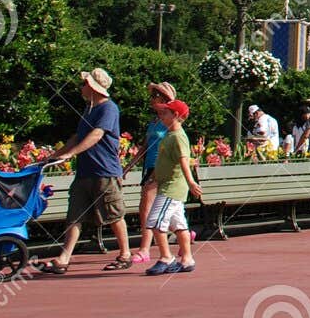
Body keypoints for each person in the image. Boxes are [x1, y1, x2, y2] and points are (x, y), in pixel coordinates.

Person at [36, 68, 132, 274]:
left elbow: (97, 134)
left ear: (93, 88)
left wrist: (72, 153)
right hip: (85, 172)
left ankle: (125, 254)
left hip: (104, 172)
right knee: (75, 215)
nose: (81, 87)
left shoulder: (109, 108)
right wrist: (55, 156)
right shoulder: (89, 109)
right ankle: (63, 259)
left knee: (113, 214)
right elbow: (77, 137)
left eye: (84, 84)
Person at [144, 98, 201, 275]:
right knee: (178, 224)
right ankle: (187, 259)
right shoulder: (169, 135)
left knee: (154, 221)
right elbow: (163, 161)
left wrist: (191, 182)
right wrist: (153, 177)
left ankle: (166, 258)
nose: (161, 116)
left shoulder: (178, 137)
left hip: (172, 188)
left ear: (176, 115)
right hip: (167, 186)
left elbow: (183, 161)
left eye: (165, 113)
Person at [130, 81, 177, 265]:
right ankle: (184, 232)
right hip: (150, 167)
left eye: (155, 96)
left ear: (164, 99)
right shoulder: (154, 121)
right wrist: (129, 166)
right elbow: (145, 146)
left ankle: (145, 249)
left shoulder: (171, 121)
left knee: (146, 206)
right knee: (162, 207)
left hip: (162, 167)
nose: (151, 99)